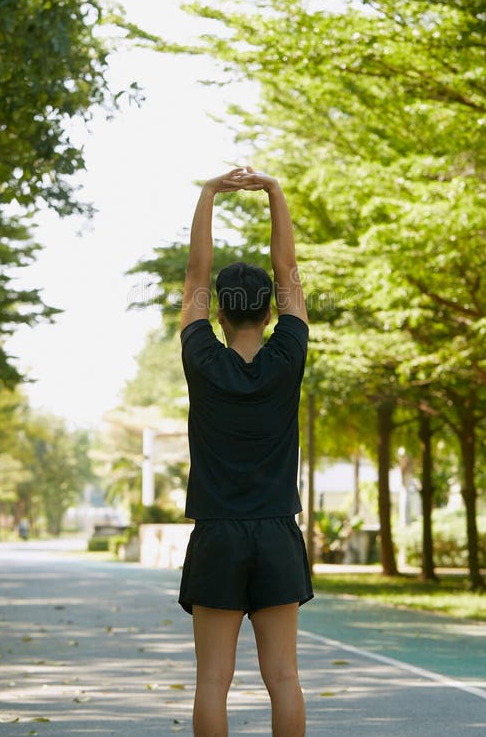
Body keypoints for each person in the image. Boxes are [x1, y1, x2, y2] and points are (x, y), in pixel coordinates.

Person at [178, 167, 312, 737]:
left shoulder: (202, 361)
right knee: (283, 677)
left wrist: (209, 193)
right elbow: (288, 273)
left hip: (217, 535)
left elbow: (194, 278)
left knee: (213, 681)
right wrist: (275, 192)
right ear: (268, 312)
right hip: (277, 533)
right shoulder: (288, 358)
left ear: (220, 315)